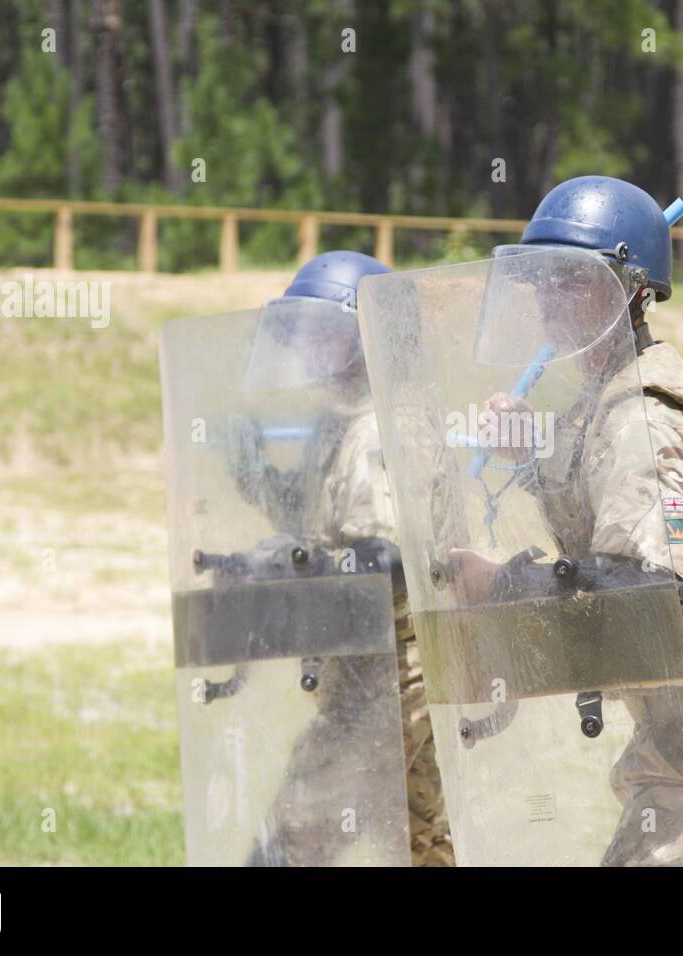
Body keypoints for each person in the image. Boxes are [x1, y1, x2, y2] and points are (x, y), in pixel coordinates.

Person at [473, 176, 683, 865]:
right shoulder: (608, 397)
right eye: (543, 284)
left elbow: (638, 593)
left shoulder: (642, 414)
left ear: (633, 289)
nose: (551, 302)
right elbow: (597, 502)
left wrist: (502, 586)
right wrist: (531, 453)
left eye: (573, 281)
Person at [228, 251, 454, 867]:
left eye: (324, 335)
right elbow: (327, 525)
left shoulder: (384, 428)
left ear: (365, 340)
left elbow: (382, 559)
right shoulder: (342, 424)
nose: (309, 350)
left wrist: (297, 568)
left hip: (392, 679)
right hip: (377, 672)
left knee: (293, 837)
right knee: (423, 839)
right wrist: (256, 478)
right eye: (302, 337)